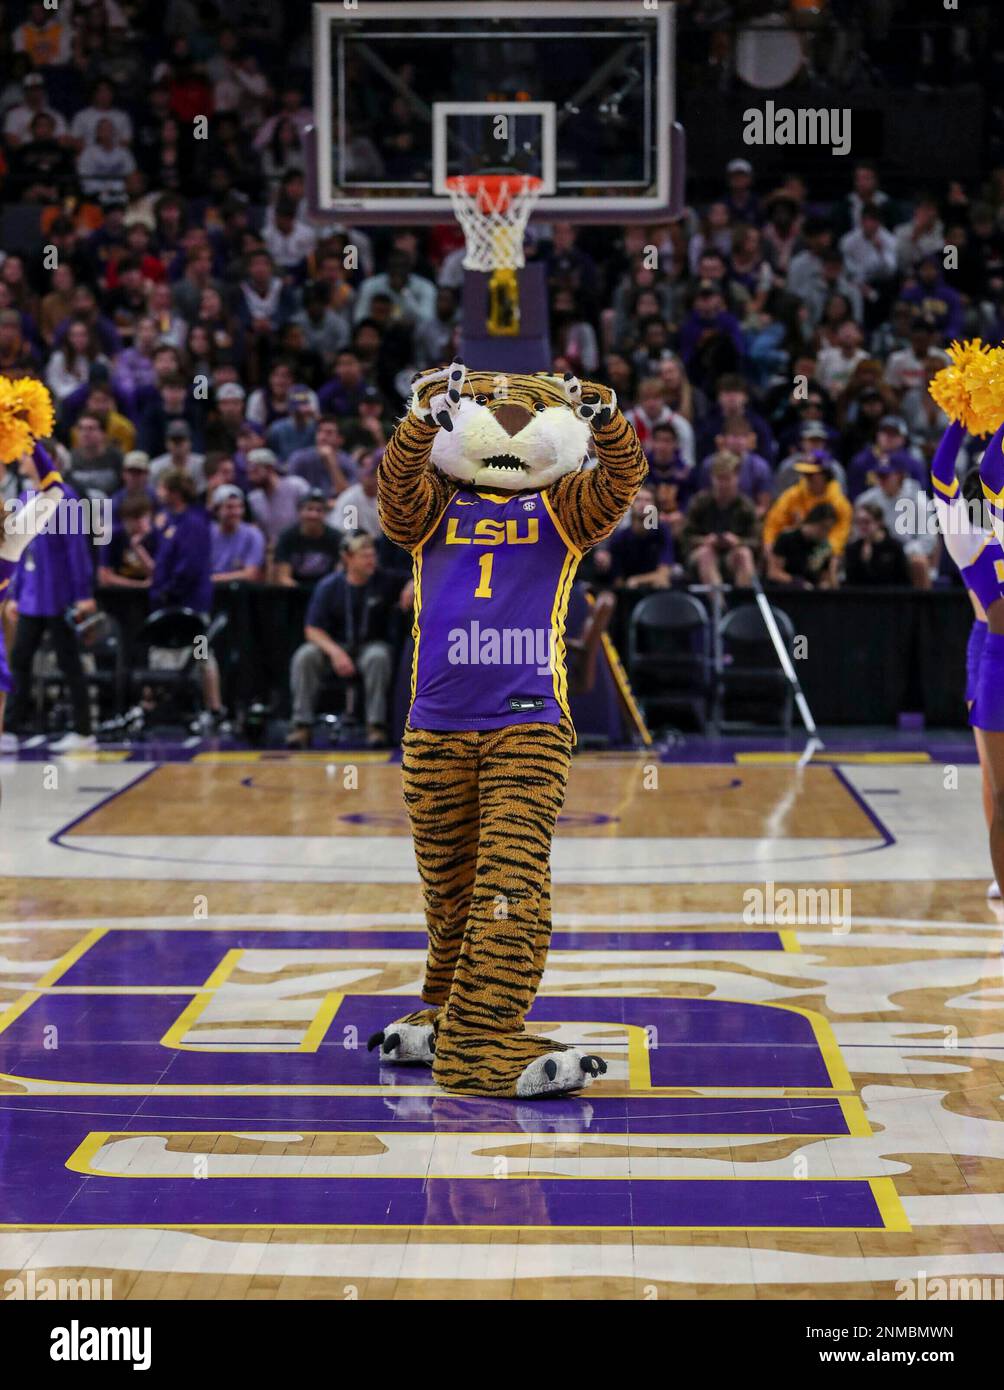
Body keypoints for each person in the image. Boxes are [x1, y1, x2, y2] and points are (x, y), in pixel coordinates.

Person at [5, 451, 97, 753]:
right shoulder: (23, 495)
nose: (20, 460)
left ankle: (83, 730)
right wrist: (15, 594)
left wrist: (83, 594)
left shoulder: (64, 497)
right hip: (32, 595)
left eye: (27, 456)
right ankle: (10, 728)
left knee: (69, 661)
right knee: (18, 660)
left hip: (60, 595)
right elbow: (16, 553)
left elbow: (76, 549)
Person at [287, 532, 410, 749]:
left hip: (369, 646)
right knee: (305, 655)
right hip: (335, 646)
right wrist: (335, 653)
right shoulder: (329, 586)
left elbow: (417, 574)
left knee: (378, 657)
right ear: (348, 558)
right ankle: (301, 725)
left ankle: (376, 726)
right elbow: (312, 629)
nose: (371, 561)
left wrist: (411, 584)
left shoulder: (385, 580)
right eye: (364, 556)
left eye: (373, 555)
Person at [680, 453, 759, 589]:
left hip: (732, 556)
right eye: (719, 478)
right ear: (712, 478)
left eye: (727, 479)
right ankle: (719, 607)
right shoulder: (700, 503)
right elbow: (685, 538)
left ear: (737, 478)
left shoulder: (746, 506)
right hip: (701, 556)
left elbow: (757, 541)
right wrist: (705, 540)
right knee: (707, 553)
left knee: (744, 554)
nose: (723, 484)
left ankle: (742, 605)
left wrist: (738, 541)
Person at [763, 459, 853, 559]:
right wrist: (769, 542)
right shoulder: (792, 496)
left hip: (822, 554)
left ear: (825, 475)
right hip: (789, 550)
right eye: (805, 474)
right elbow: (774, 523)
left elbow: (838, 538)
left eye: (812, 474)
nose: (807, 478)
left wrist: (818, 555)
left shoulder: (840, 504)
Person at [594, 487, 674, 591]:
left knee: (662, 584)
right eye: (638, 500)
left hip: (654, 590)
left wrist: (637, 580)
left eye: (648, 500)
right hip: (629, 593)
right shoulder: (620, 538)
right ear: (630, 505)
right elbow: (618, 581)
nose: (643, 504)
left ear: (655, 506)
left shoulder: (662, 532)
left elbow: (663, 575)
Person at [273, 491, 343, 588]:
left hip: (327, 592)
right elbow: (283, 578)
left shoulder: (336, 538)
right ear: (300, 512)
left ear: (325, 514)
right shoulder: (287, 537)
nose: (314, 515)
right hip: (294, 592)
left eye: (319, 510)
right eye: (309, 509)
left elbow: (339, 576)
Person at [766, 504, 839, 589]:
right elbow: (773, 573)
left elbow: (826, 580)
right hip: (785, 593)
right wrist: (797, 582)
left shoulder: (824, 547)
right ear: (813, 521)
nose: (825, 533)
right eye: (823, 527)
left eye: (829, 529)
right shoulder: (787, 538)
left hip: (812, 597)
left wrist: (827, 581)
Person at [842, 503, 911, 586]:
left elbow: (903, 581)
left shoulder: (894, 547)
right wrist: (865, 562)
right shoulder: (852, 549)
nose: (862, 526)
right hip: (861, 597)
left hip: (890, 595)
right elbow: (851, 583)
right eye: (858, 522)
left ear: (879, 522)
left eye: (866, 522)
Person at [209, 485, 265, 584]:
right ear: (217, 510)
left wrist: (213, 579)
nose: (236, 512)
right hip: (210, 592)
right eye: (229, 507)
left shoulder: (253, 535)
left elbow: (251, 575)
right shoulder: (208, 533)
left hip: (241, 593)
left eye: (240, 507)